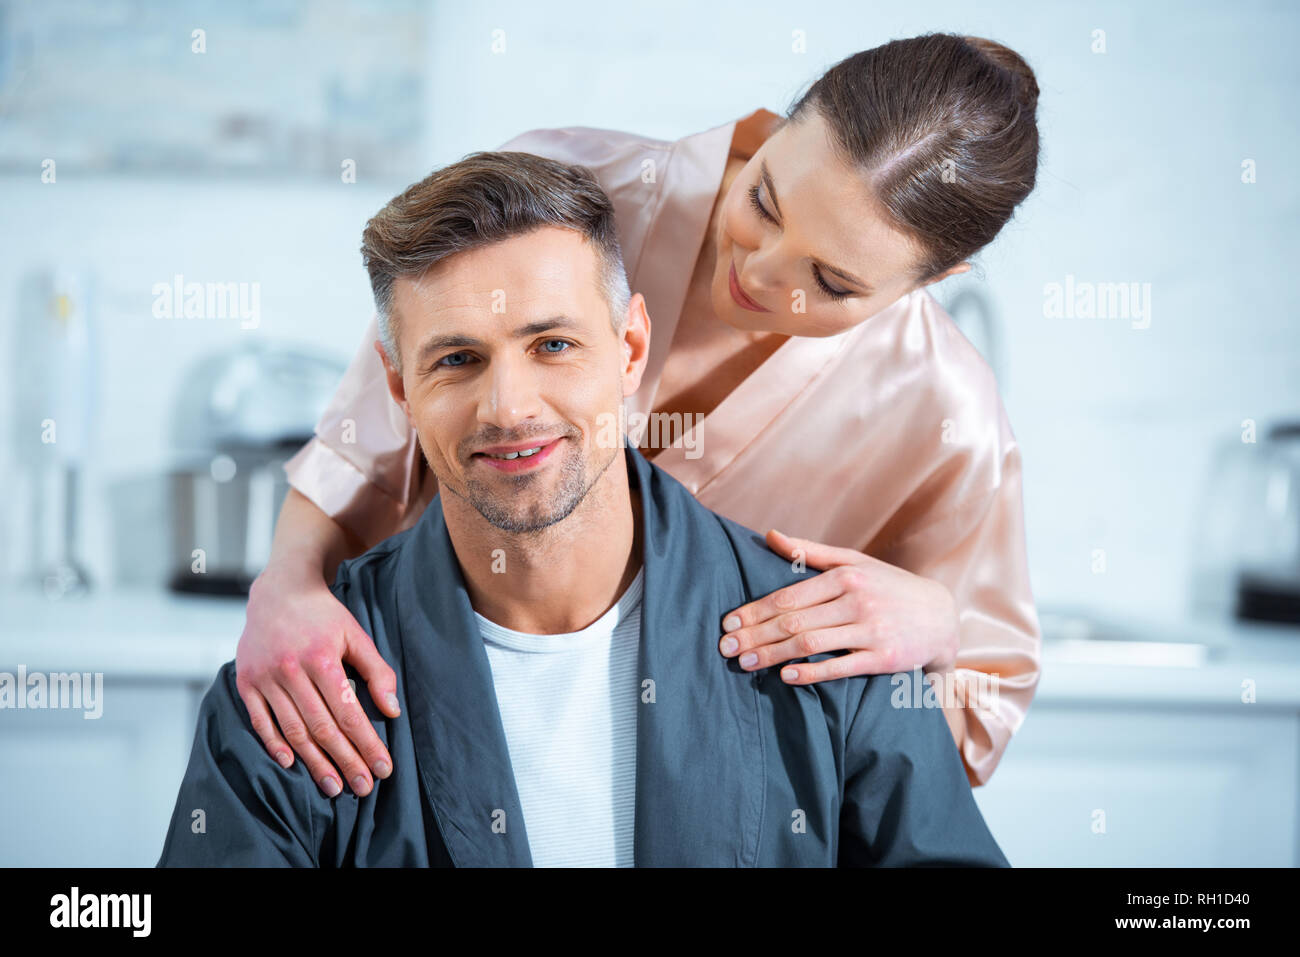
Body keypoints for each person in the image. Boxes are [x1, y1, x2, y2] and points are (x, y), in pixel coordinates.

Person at [236, 33, 1044, 800]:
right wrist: (288, 582)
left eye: (830, 281)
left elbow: (971, 720)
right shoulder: (566, 188)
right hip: (412, 720)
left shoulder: (946, 411)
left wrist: (939, 628)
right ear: (779, 124)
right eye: (763, 200)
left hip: (696, 797)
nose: (760, 272)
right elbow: (369, 435)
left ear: (939, 276)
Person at [158, 152, 1009, 867]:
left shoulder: (838, 650)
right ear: (398, 387)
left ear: (629, 347)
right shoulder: (296, 696)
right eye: (457, 359)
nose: (508, 407)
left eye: (552, 344)